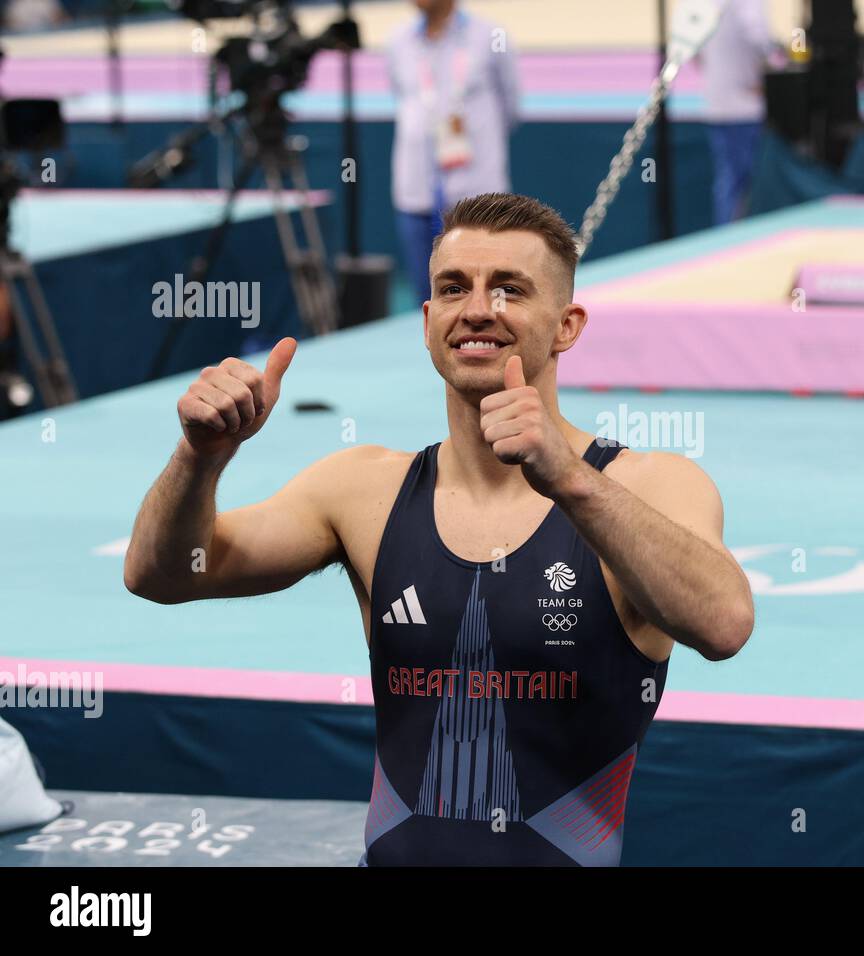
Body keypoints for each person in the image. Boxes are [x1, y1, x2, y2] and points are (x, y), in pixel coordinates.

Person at [123, 192, 755, 866]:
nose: (477, 309)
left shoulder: (646, 484)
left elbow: (723, 624)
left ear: (567, 325)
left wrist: (569, 479)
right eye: (454, 288)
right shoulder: (363, 489)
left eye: (509, 289)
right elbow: (160, 575)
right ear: (428, 321)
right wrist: (200, 458)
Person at [387, 0, 519, 304]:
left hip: (478, 191)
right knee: (429, 298)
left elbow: (511, 106)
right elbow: (403, 99)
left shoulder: (491, 37)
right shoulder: (398, 43)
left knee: (485, 294)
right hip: (416, 190)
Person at [698, 0, 783, 224]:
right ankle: (733, 238)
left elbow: (693, 47)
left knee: (728, 182)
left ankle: (728, 235)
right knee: (742, 184)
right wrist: (766, 68)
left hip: (718, 102)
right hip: (744, 105)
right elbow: (758, 36)